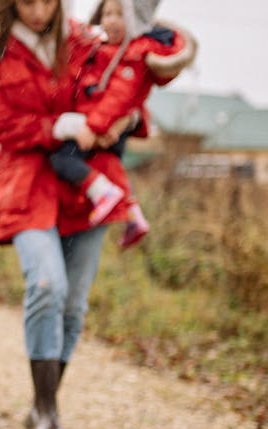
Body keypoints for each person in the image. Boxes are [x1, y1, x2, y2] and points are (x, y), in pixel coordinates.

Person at [0, 0, 114, 429]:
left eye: (48, 1)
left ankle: (45, 403)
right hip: (27, 186)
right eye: (28, 2)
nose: (39, 11)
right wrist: (55, 126)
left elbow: (124, 83)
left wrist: (129, 116)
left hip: (86, 185)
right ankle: (46, 409)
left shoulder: (86, 41)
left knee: (74, 304)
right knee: (47, 286)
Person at [49, 0, 196, 249]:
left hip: (101, 126)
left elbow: (119, 98)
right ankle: (133, 216)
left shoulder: (132, 55)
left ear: (136, 21)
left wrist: (93, 128)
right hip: (104, 126)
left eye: (120, 14)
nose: (111, 20)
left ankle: (101, 193)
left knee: (62, 159)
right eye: (107, 13)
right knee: (111, 165)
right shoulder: (105, 50)